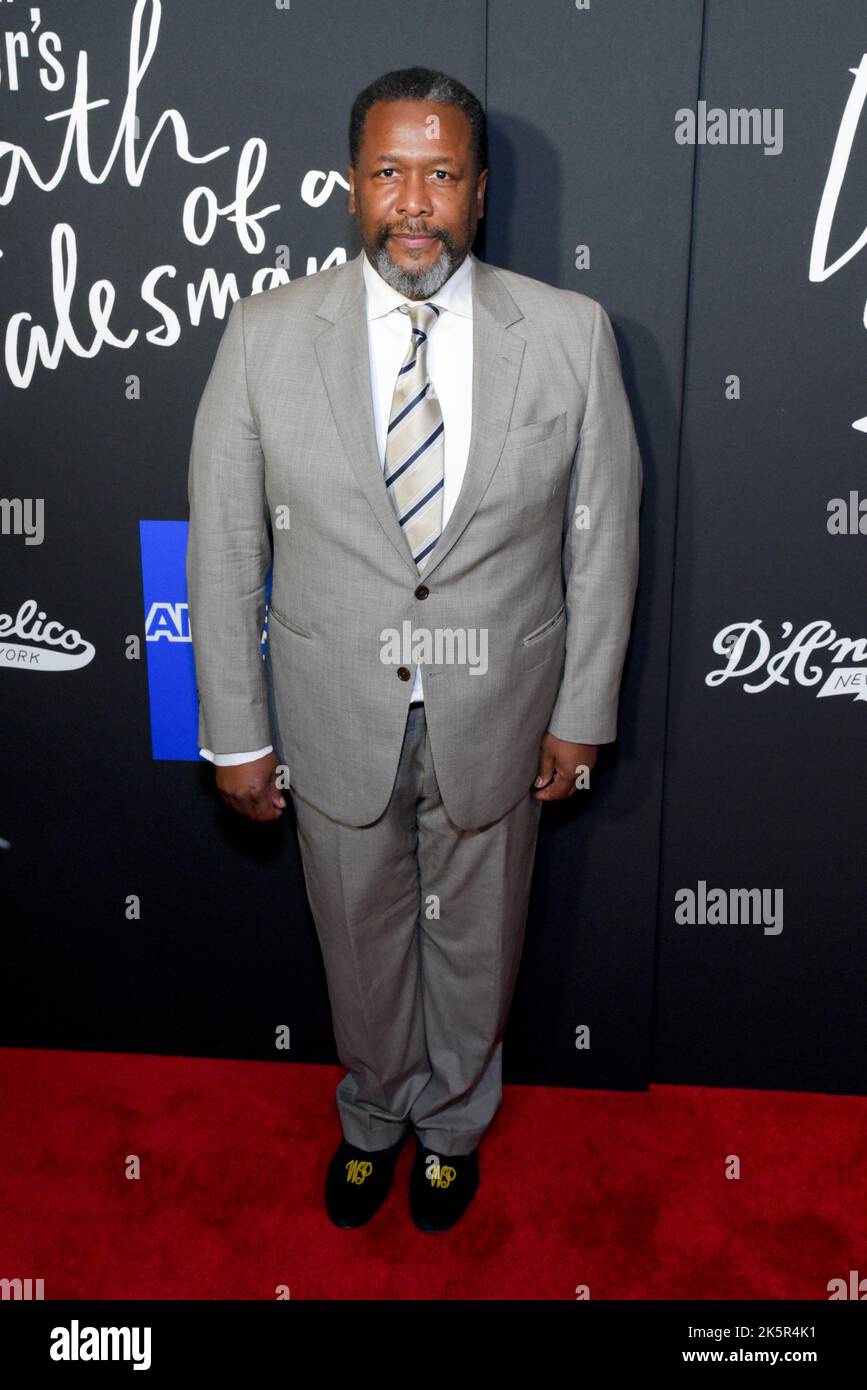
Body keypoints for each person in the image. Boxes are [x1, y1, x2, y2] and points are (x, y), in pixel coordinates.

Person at [186, 65, 642, 1234]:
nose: (414, 202)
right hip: (332, 707)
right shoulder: (265, 334)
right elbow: (227, 546)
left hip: (501, 705)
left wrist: (583, 712)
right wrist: (234, 730)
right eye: (390, 172)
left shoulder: (573, 334)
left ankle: (451, 1127)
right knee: (359, 936)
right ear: (353, 185)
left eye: (441, 175)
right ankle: (372, 1113)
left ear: (479, 192)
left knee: (481, 939)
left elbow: (601, 543)